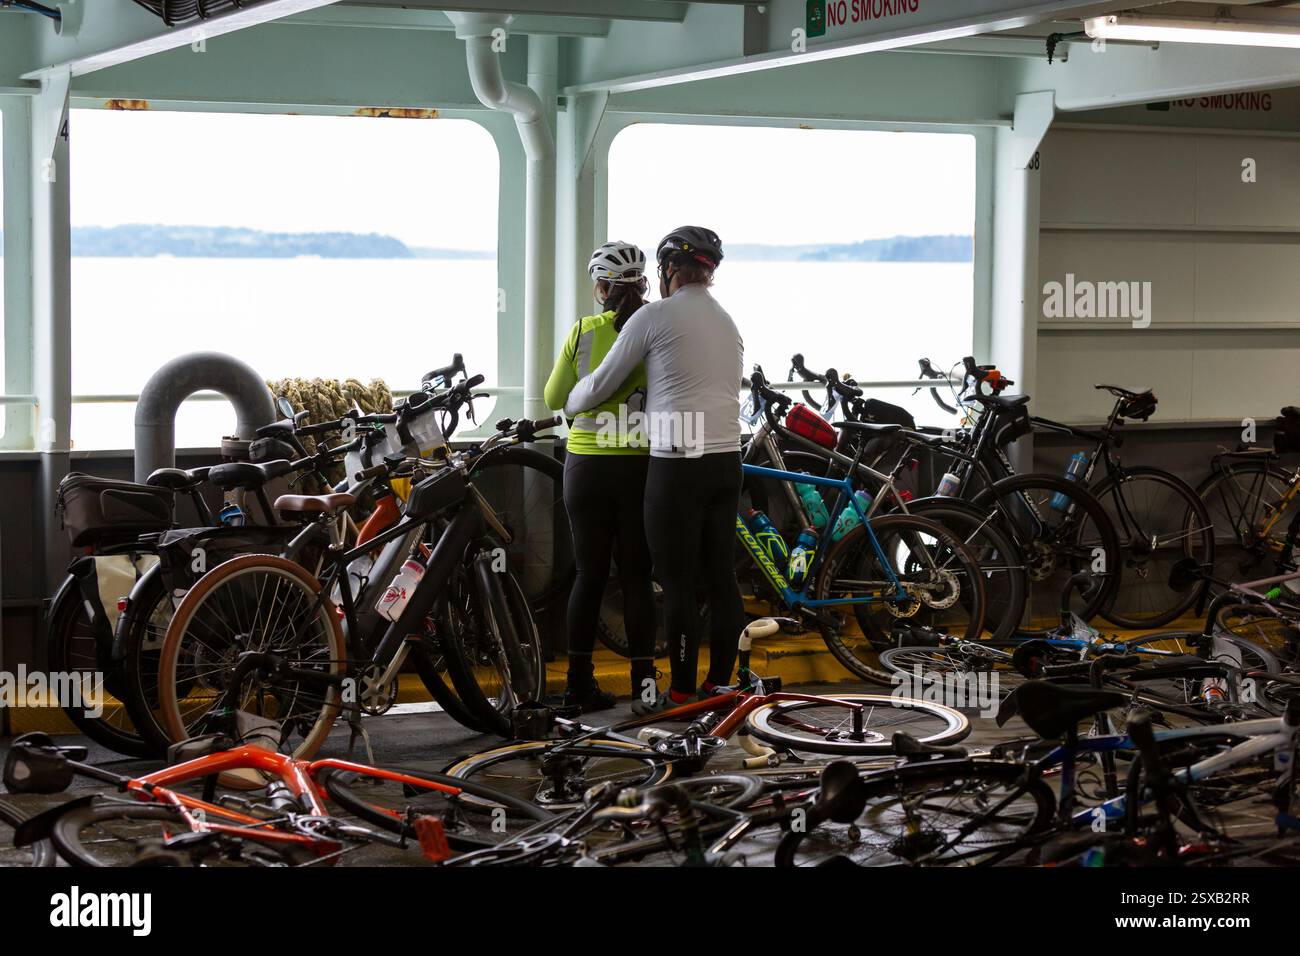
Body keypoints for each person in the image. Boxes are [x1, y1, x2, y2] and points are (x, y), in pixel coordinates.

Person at [564, 226, 745, 715]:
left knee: (679, 581)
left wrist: (570, 406)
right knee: (723, 577)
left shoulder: (654, 316)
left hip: (676, 465)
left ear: (667, 271)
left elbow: (598, 385)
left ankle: (682, 692)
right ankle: (719, 685)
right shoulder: (728, 322)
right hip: (728, 461)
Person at [544, 241, 657, 712]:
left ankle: (577, 685)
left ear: (604, 287)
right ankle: (644, 686)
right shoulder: (656, 331)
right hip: (640, 467)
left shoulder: (584, 332)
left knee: (588, 576)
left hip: (586, 467)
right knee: (637, 577)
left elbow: (554, 397)